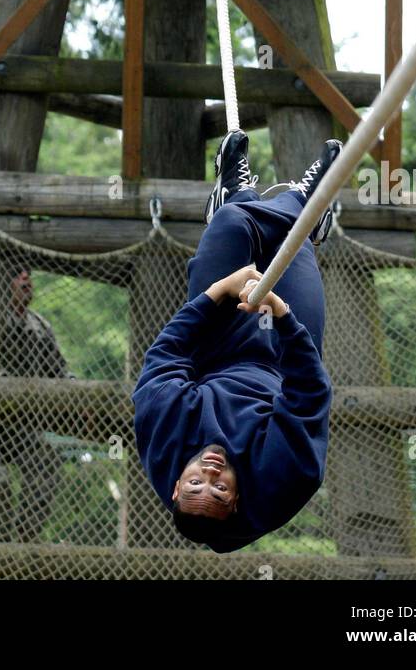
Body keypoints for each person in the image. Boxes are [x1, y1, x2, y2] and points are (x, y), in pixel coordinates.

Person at [132, 131, 341, 552]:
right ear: (238, 498)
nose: (210, 473)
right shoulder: (280, 481)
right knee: (291, 241)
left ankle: (279, 204)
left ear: (175, 487)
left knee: (232, 224)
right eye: (220, 489)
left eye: (196, 483)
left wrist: (218, 293)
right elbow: (309, 399)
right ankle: (290, 207)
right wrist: (283, 319)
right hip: (285, 361)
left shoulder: (163, 446)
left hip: (217, 344)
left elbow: (165, 357)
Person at [0, 267, 73, 543]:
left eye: (28, 273)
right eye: (16, 274)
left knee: (47, 461)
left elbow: (60, 373)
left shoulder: (39, 326)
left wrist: (83, 398)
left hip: (21, 428)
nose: (26, 278)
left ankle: (26, 541)